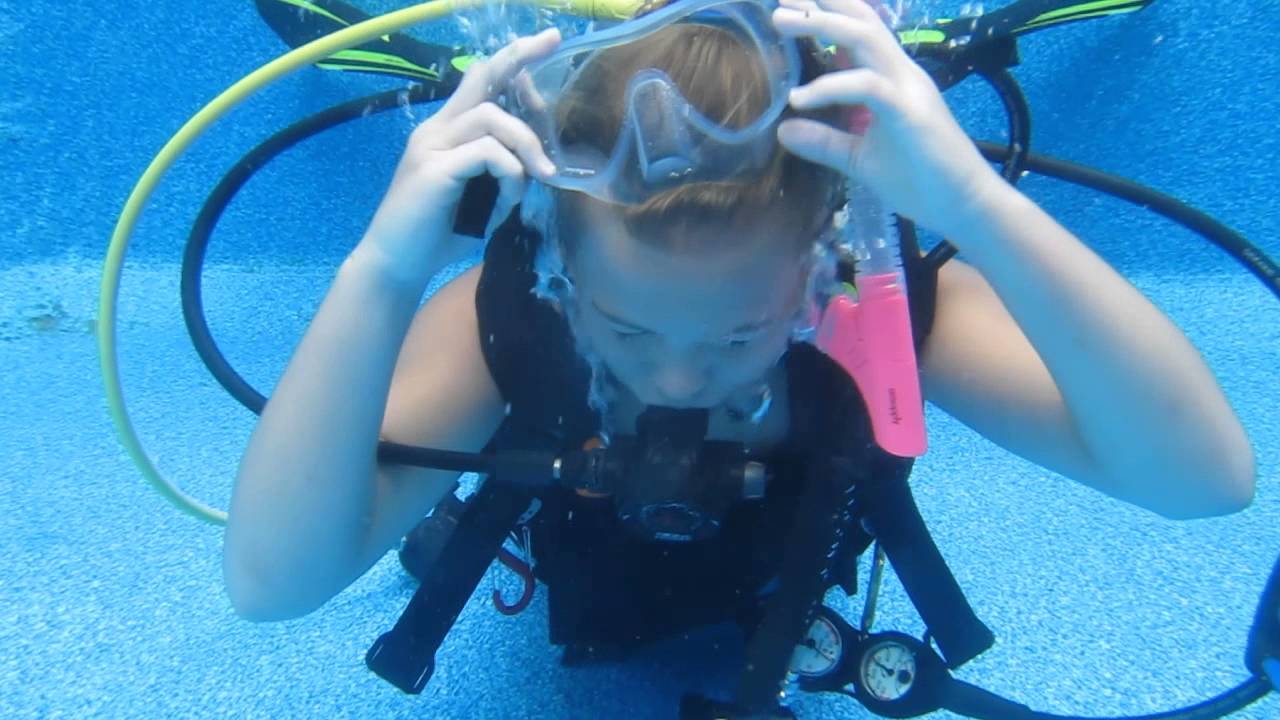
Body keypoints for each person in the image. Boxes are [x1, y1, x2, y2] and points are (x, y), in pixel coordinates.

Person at [222, 0, 1254, 642]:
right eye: (624, 332)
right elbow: (272, 581)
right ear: (557, 267)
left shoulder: (869, 309)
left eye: (735, 335)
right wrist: (379, 269)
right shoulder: (511, 311)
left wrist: (975, 210)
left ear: (822, 271)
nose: (675, 379)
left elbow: (1202, 483)